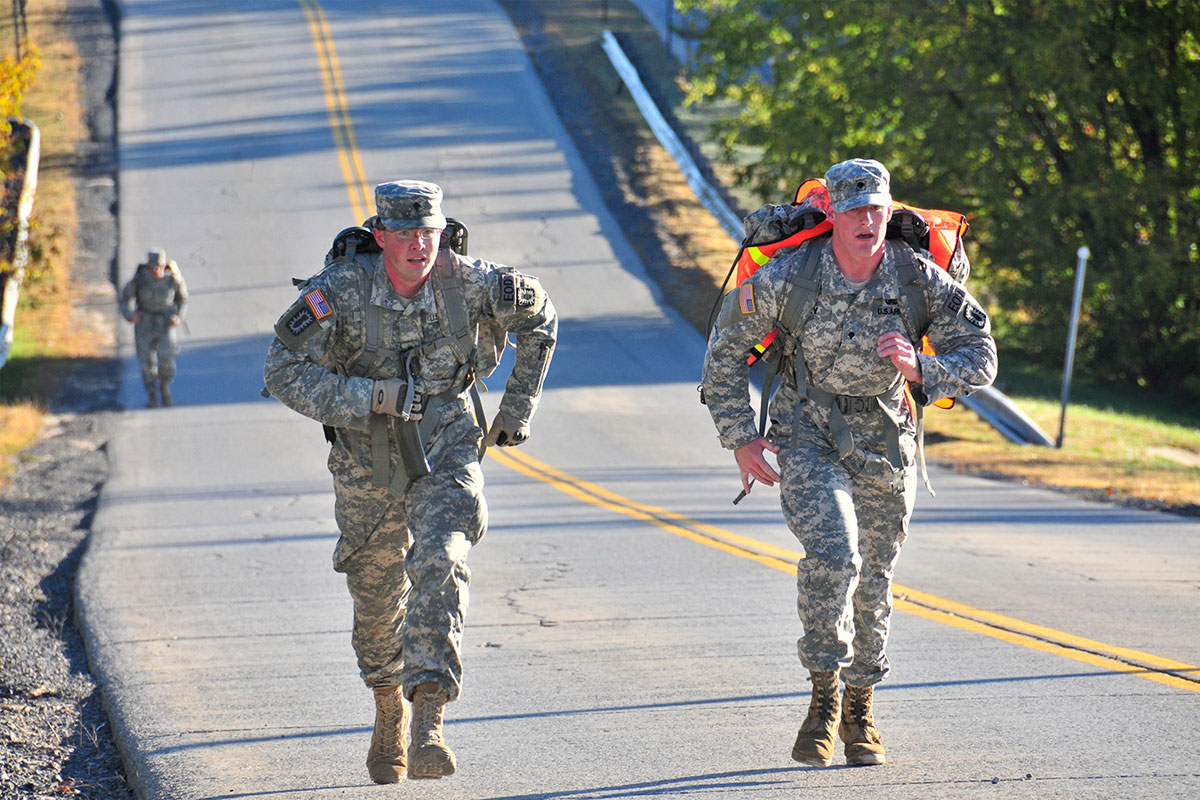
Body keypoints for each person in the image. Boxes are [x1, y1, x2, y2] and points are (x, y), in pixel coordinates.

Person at [701, 159, 997, 767]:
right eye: (854, 208)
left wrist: (924, 370)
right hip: (807, 430)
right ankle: (823, 696)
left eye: (875, 208)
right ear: (832, 214)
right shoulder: (789, 277)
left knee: (876, 576)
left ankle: (862, 704)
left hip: (888, 439)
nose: (866, 219)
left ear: (889, 212)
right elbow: (724, 354)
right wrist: (740, 439)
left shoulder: (916, 276)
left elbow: (982, 354)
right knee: (835, 555)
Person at [263, 180, 557, 783]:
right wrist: (368, 396)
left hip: (447, 441)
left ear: (441, 231)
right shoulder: (340, 292)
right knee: (376, 601)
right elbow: (282, 369)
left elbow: (542, 318)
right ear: (381, 237)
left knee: (442, 560)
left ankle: (429, 718)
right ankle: (386, 706)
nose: (419, 245)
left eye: (429, 232)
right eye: (404, 234)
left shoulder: (473, 283)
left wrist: (518, 408)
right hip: (366, 459)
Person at [119, 248, 188, 407]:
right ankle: (151, 394)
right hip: (144, 325)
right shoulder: (140, 280)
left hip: (165, 325)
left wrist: (178, 316)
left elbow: (183, 299)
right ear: (148, 267)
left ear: (164, 266)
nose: (156, 270)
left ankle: (164, 387)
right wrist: (130, 315)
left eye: (159, 266)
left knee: (167, 360)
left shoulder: (173, 280)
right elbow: (124, 298)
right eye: (153, 267)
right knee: (146, 363)